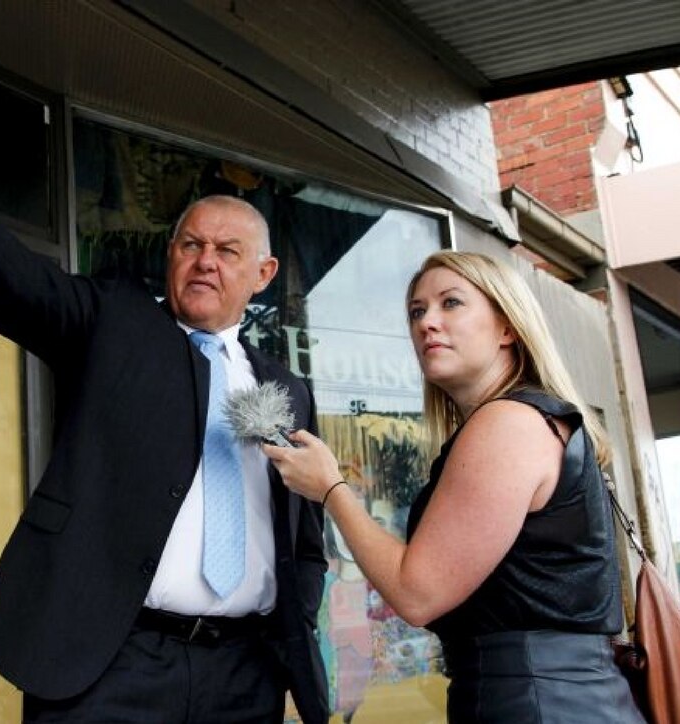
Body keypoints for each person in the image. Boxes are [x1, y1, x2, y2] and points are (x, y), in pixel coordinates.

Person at [0, 63, 329, 723]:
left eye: (226, 249)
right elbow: (3, 275)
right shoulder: (114, 325)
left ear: (264, 273)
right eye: (190, 244)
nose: (205, 259)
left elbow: (303, 537)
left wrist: (289, 627)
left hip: (244, 674)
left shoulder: (283, 388)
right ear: (170, 257)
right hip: (111, 665)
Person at [265, 250, 647, 722]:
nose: (428, 323)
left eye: (451, 303)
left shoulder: (509, 423)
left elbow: (417, 592)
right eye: (417, 311)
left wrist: (331, 488)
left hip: (538, 705)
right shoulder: (532, 420)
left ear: (507, 327)